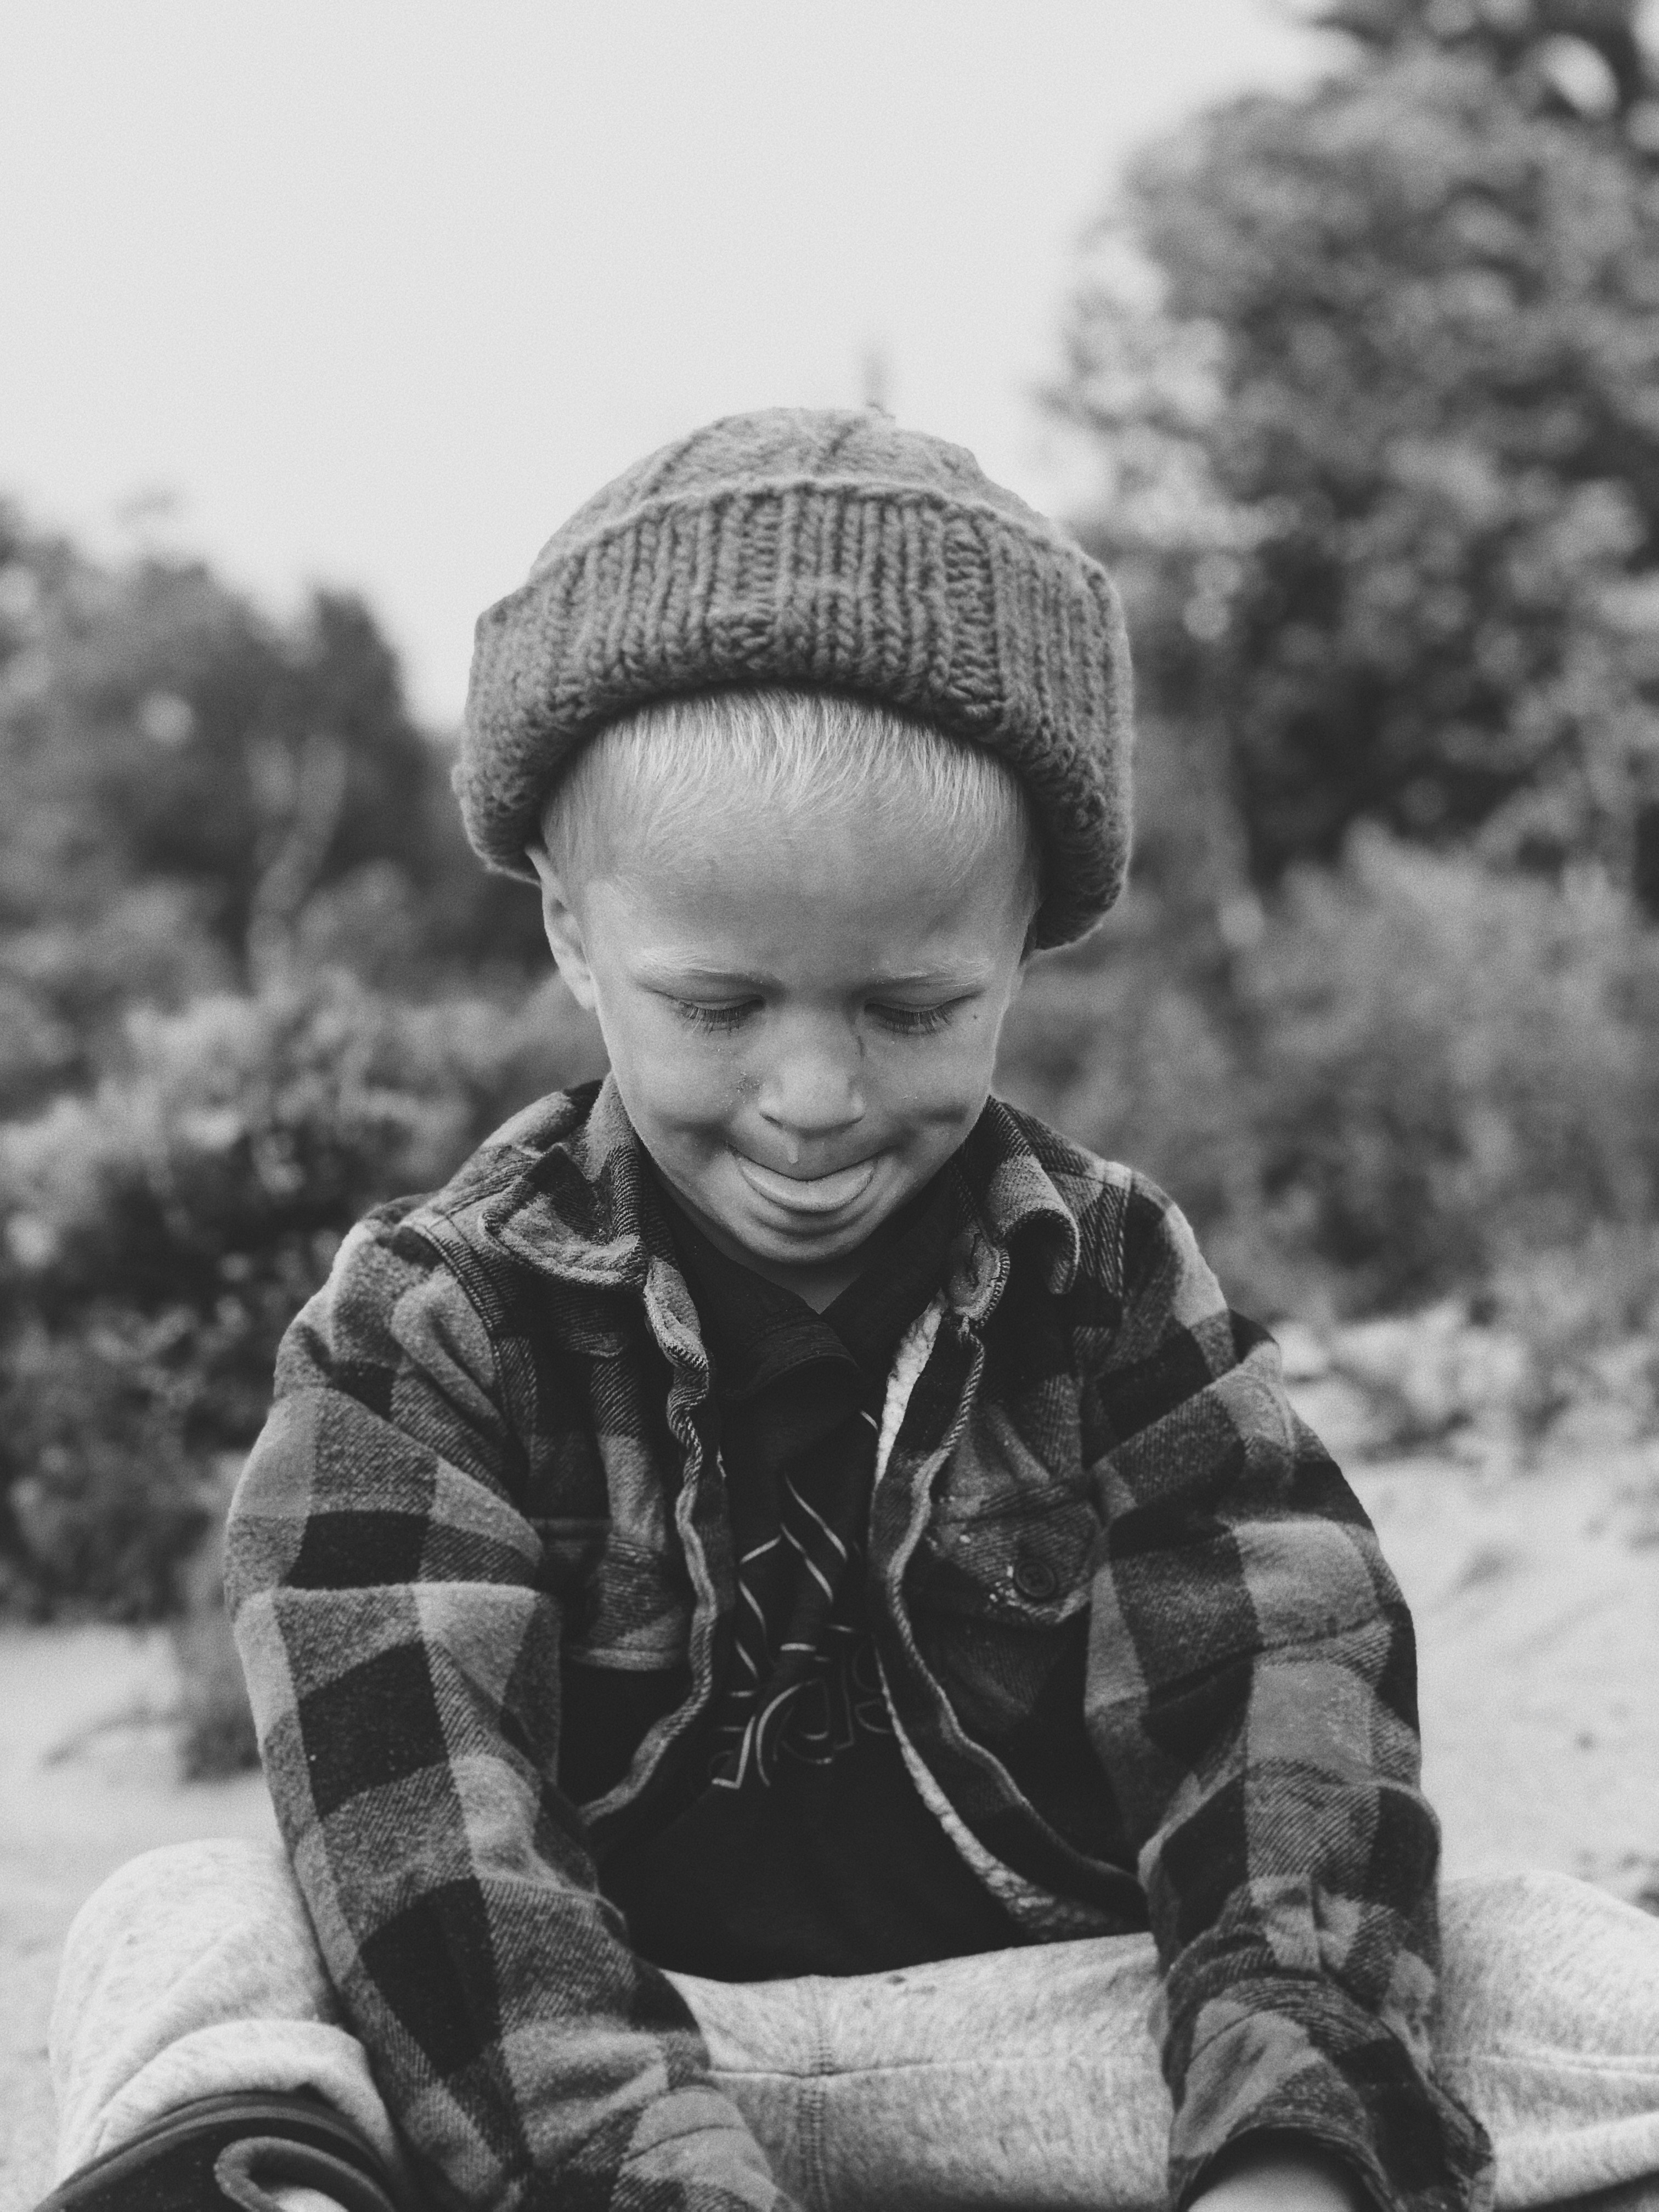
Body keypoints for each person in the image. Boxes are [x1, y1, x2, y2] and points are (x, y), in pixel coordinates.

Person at [38, 411, 1659, 2212]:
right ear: (575, 936)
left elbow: (1277, 1704)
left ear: (1027, 939)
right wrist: (636, 2161)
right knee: (186, 1920)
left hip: (1051, 2046)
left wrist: (1285, 2127)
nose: (813, 1099)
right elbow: (427, 1826)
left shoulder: (1110, 1282)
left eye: (906, 1007)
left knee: (1531, 1956)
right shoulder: (428, 1323)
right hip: (545, 2084)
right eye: (720, 1008)